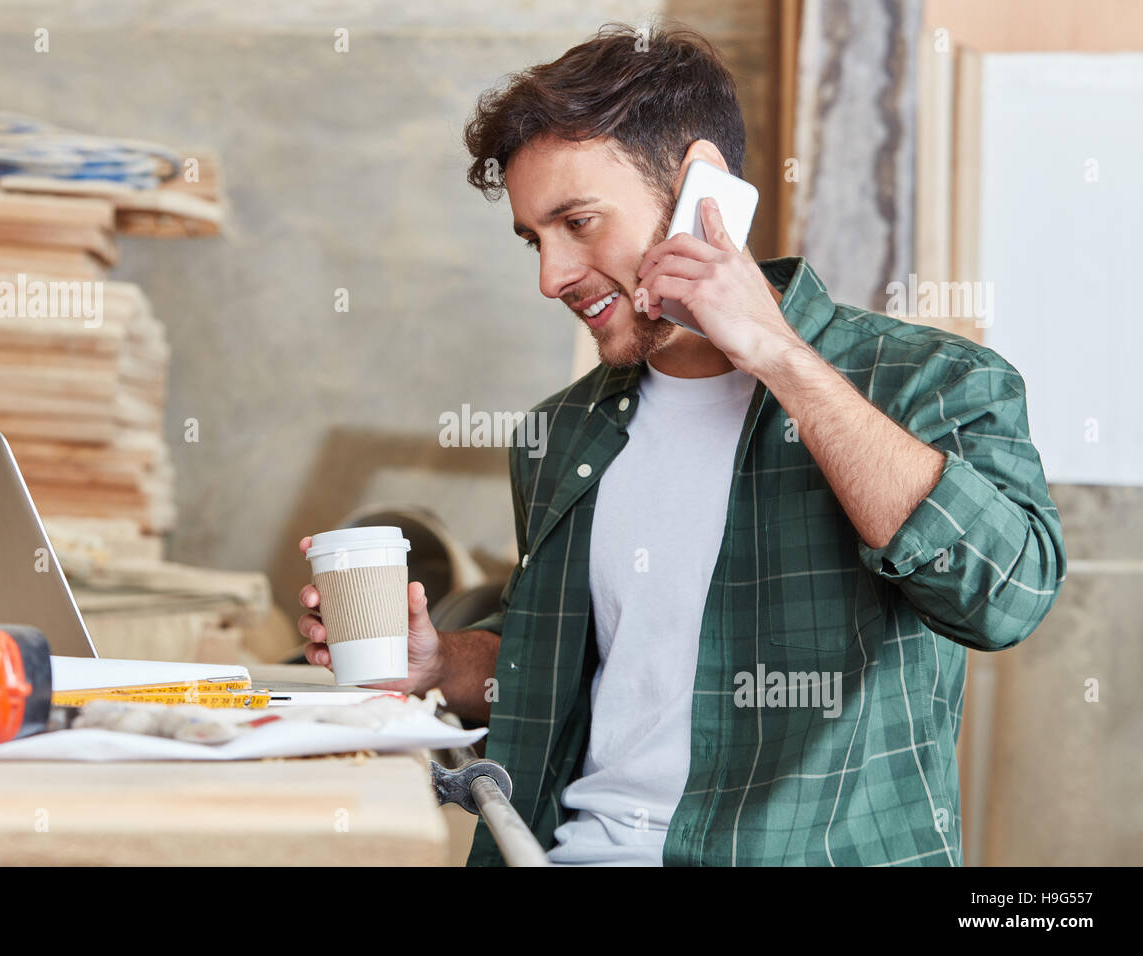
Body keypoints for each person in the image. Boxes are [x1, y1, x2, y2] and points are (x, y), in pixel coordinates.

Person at [297, 20, 1066, 866]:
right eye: (534, 239)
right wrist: (443, 662)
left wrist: (777, 355)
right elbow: (568, 665)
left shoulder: (933, 382)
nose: (550, 277)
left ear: (704, 188)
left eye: (578, 223)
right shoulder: (562, 431)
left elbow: (1006, 599)